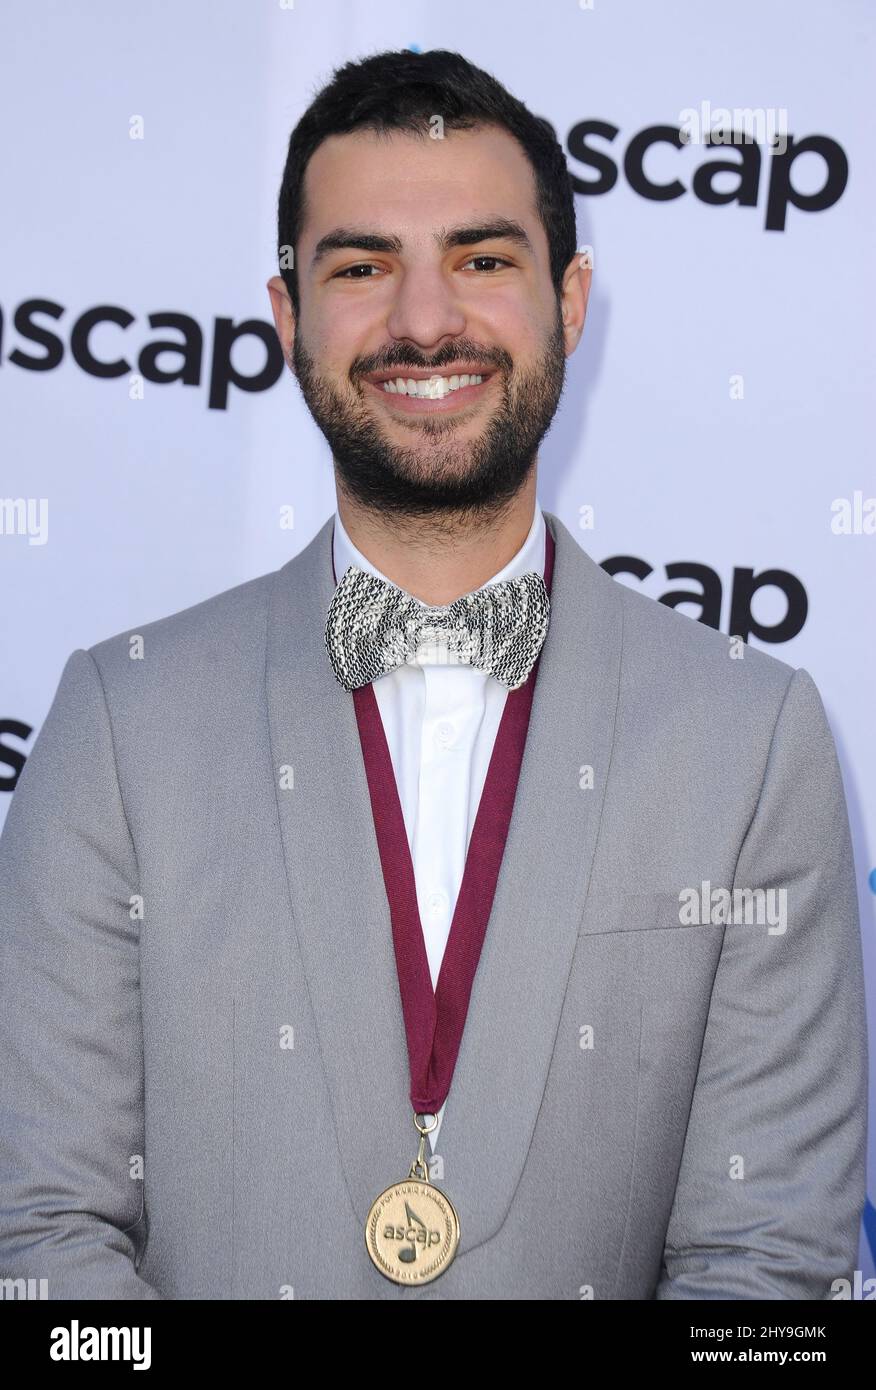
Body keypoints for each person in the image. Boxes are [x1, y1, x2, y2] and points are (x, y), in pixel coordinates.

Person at [0, 48, 867, 1300]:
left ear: (570, 302)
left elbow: (770, 1272)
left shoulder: (752, 741)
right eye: (360, 267)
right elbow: (42, 1247)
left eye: (482, 259)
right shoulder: (118, 727)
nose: (423, 321)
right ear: (288, 314)